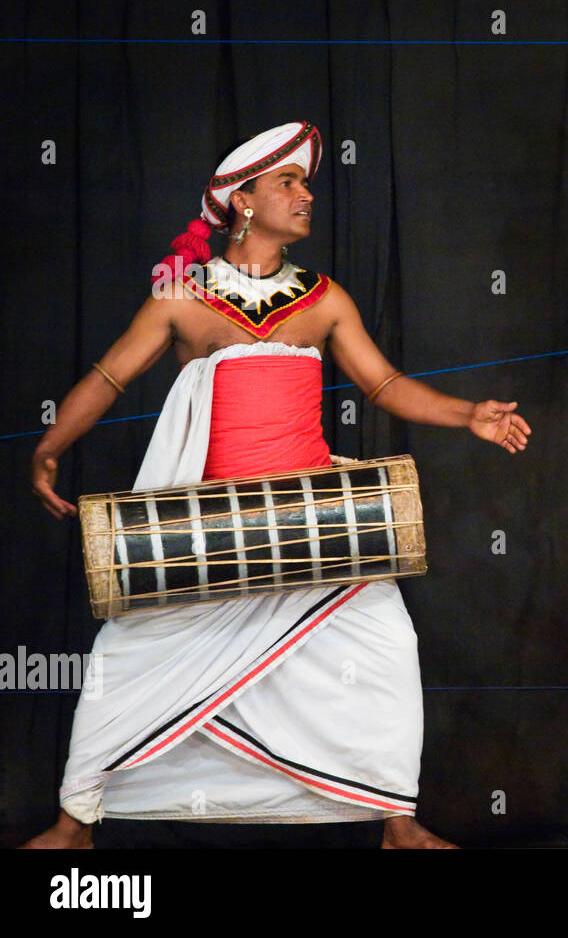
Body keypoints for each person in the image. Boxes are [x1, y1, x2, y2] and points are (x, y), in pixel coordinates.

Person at [23, 122, 530, 849]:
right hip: (210, 530)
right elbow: (110, 376)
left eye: (305, 182)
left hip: (318, 521)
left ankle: (398, 825)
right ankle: (75, 823)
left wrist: (468, 415)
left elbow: (382, 382)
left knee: (387, 643)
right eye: (287, 183)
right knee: (125, 657)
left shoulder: (324, 299)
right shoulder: (184, 296)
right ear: (243, 201)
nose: (306, 195)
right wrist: (51, 445)